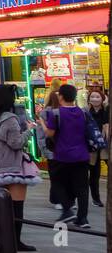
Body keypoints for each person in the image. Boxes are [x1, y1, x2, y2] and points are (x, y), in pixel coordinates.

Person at [0, 83, 37, 251]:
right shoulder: (10, 119)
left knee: (0, 207)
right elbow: (16, 143)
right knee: (16, 207)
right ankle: (15, 242)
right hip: (12, 167)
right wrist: (29, 130)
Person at [45, 84, 93, 229]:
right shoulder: (83, 112)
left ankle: (67, 209)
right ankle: (83, 219)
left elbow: (50, 133)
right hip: (82, 154)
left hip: (62, 155)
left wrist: (42, 124)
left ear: (60, 97)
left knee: (58, 182)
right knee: (83, 187)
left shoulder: (55, 114)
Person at [86, 89, 107, 209]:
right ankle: (96, 198)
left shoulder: (106, 111)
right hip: (91, 147)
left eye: (97, 97)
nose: (94, 99)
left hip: (104, 146)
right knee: (94, 174)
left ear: (102, 98)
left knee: (97, 173)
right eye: (92, 97)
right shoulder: (86, 112)